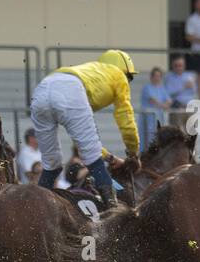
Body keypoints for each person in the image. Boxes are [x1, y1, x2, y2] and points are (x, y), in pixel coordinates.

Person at [29, 50, 140, 208]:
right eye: (130, 78)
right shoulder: (118, 76)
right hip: (70, 88)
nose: (128, 82)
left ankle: (34, 206)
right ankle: (113, 210)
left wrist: (110, 158)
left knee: (51, 163)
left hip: (42, 88)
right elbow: (125, 117)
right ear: (123, 70)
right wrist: (133, 153)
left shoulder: (91, 71)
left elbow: (82, 141)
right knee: (92, 158)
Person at [139, 65, 173, 145]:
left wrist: (165, 104)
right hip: (148, 119)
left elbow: (169, 100)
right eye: (155, 76)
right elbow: (152, 100)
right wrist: (164, 106)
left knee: (158, 138)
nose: (157, 78)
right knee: (147, 139)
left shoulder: (162, 88)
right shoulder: (147, 88)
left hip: (159, 118)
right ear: (151, 77)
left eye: (159, 76)